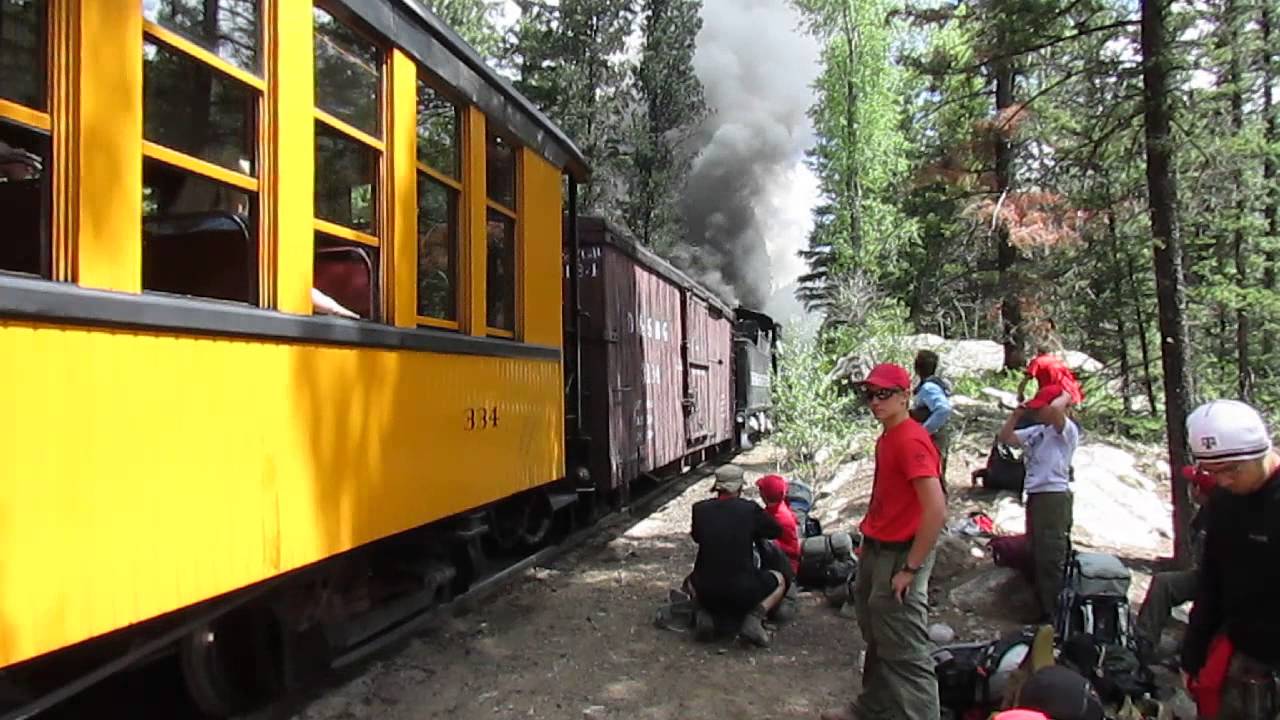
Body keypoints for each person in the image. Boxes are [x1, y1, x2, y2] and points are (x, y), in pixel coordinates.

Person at [822, 363, 947, 720]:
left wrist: (910, 568)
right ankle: (872, 708)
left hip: (901, 554)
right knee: (878, 636)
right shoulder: (889, 437)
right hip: (878, 548)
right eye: (870, 395)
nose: (875, 401)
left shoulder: (910, 440)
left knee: (905, 650)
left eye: (884, 394)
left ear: (905, 396)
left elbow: (936, 509)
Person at [1180, 400, 1280, 719]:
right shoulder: (1224, 504)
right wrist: (1192, 654)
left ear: (1260, 451)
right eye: (1211, 472)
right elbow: (1212, 582)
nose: (1223, 481)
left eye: (1232, 469)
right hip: (1245, 657)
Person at [998, 384, 1078, 622]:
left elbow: (1055, 411)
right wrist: (1016, 415)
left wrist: (1065, 394)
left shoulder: (1065, 431)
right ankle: (1042, 607)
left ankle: (1054, 615)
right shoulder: (1037, 431)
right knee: (1036, 550)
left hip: (1054, 496)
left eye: (1040, 408)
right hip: (1035, 495)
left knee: (1050, 554)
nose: (1037, 412)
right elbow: (1006, 438)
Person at [687, 464, 787, 647]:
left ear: (717, 486)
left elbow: (697, 537)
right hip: (744, 592)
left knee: (691, 580)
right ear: (739, 487)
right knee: (780, 580)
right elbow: (776, 531)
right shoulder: (750, 510)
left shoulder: (699, 509)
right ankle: (754, 618)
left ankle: (703, 613)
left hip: (707, 592)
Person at [1134, 466, 1214, 666]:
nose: (1189, 488)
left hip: (1224, 583)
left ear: (1199, 489)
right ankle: (1143, 642)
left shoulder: (1225, 515)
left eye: (1193, 484)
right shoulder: (1205, 512)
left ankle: (1192, 653)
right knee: (1164, 583)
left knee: (1208, 601)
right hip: (1205, 574)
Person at [910, 350, 954, 485]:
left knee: (933, 476)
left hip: (934, 437)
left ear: (916, 367)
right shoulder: (933, 385)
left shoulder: (929, 387)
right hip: (935, 436)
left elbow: (943, 409)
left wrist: (924, 431)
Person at [755, 474, 800, 575]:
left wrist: (772, 543)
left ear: (765, 495)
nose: (759, 492)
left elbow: (794, 550)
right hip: (777, 557)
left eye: (761, 489)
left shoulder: (780, 518)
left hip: (786, 565)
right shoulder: (774, 508)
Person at [1017, 346, 1084, 406]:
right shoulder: (1056, 361)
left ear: (1038, 352)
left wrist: (1020, 393)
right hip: (1072, 394)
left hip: (1055, 395)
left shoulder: (1038, 361)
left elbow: (1025, 380)